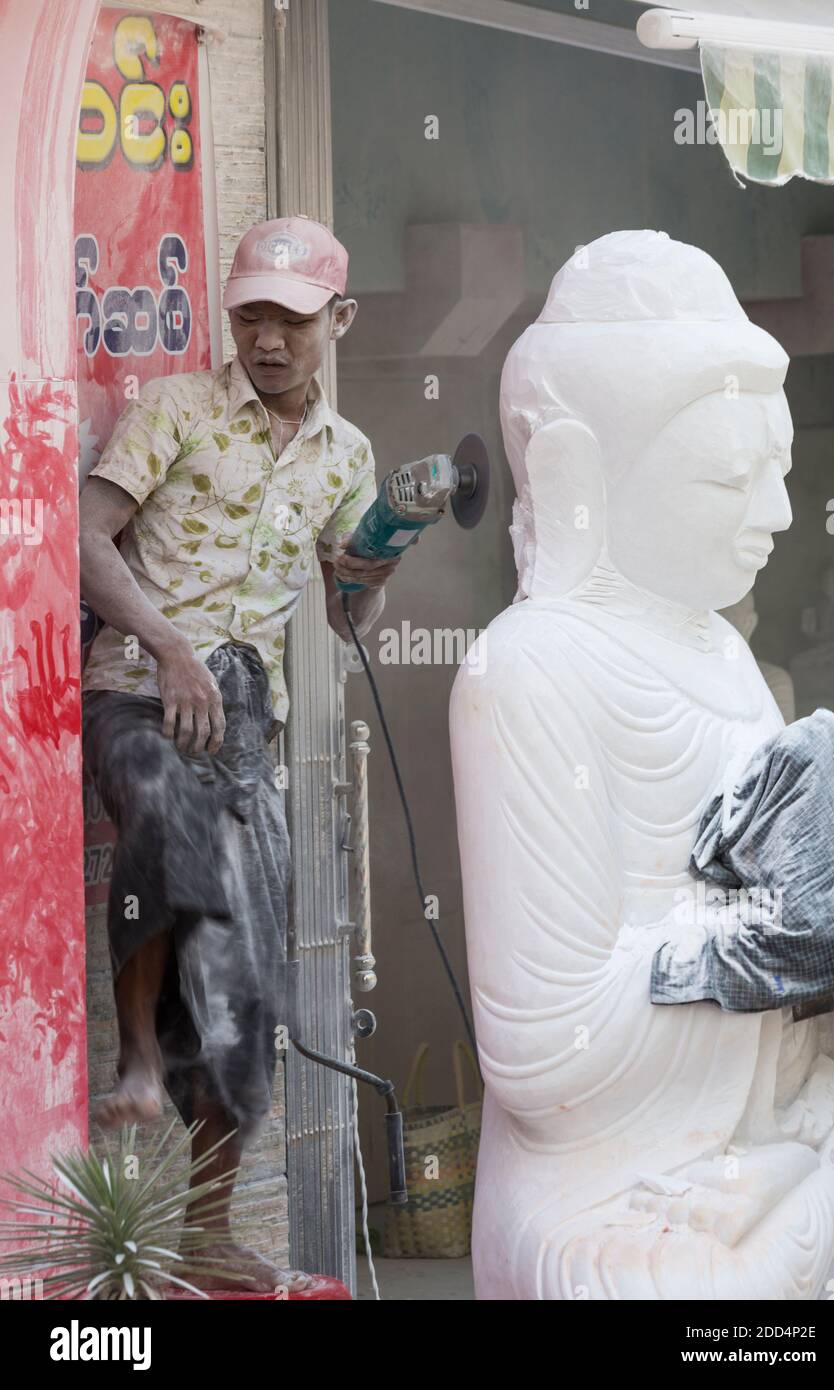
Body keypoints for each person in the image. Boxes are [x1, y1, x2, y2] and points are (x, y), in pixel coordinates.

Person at [78, 215, 398, 1291]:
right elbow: (81, 534)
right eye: (251, 313)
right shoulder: (172, 410)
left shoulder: (345, 457)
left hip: (247, 730)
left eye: (293, 320)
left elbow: (348, 606)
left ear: (335, 323)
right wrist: (165, 644)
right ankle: (131, 1059)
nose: (268, 338)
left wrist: (377, 557)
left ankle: (204, 1232)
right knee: (161, 806)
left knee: (246, 1004)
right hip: (134, 690)